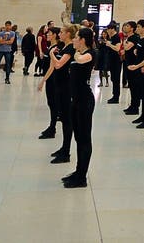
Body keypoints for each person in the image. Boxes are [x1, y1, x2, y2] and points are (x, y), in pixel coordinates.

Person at [62, 26, 95, 188]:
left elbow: (82, 60)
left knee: (84, 138)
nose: (74, 40)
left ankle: (82, 177)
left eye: (76, 38)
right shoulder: (78, 53)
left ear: (83, 40)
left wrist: (73, 52)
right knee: (78, 137)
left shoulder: (90, 54)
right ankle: (78, 171)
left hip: (85, 101)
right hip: (75, 100)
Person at [48, 24, 77, 164]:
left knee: (67, 120)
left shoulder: (71, 48)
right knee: (63, 118)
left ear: (68, 34)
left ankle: (66, 151)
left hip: (66, 87)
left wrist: (52, 54)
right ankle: (63, 148)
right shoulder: (63, 47)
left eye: (61, 32)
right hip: (59, 86)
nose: (59, 34)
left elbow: (58, 65)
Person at [37, 26, 62, 139]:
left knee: (53, 104)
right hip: (50, 80)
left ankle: (52, 128)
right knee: (51, 103)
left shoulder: (56, 48)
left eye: (49, 33)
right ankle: (51, 126)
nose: (47, 35)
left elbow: (52, 67)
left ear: (55, 35)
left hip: (54, 80)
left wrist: (43, 80)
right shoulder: (50, 47)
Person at [122, 21, 142, 115]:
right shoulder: (128, 38)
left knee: (135, 87)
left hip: (134, 65)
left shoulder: (134, 38)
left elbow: (126, 47)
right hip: (128, 64)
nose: (125, 27)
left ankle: (135, 107)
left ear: (132, 28)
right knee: (131, 86)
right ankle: (132, 105)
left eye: (127, 26)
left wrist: (124, 43)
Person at [105, 21, 122, 103]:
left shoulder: (116, 37)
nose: (107, 31)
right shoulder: (111, 37)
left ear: (112, 29)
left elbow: (117, 48)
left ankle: (116, 97)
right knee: (113, 79)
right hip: (111, 60)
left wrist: (109, 45)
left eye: (108, 29)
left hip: (116, 61)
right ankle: (114, 95)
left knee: (116, 79)